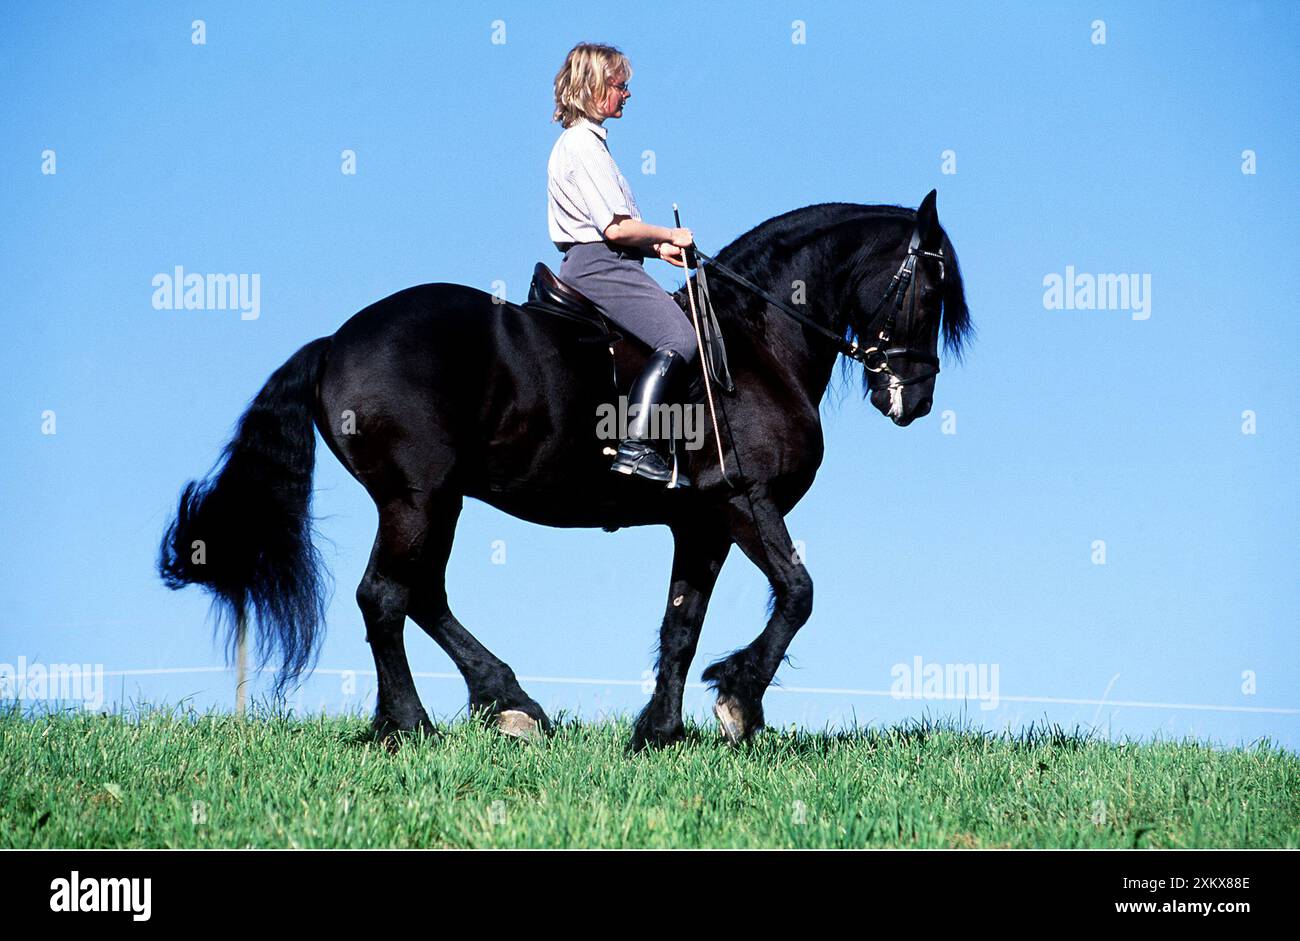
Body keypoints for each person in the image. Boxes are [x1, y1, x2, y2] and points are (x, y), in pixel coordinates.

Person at [547, 42, 699, 487]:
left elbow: (619, 231)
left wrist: (655, 251)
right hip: (600, 264)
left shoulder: (586, 143)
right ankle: (637, 446)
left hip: (607, 260)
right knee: (680, 337)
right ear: (595, 86)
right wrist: (670, 234)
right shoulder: (583, 146)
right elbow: (614, 229)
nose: (627, 94)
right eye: (621, 85)